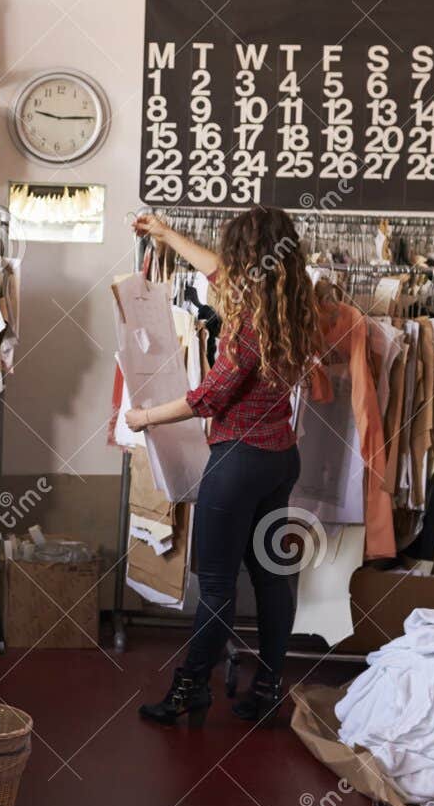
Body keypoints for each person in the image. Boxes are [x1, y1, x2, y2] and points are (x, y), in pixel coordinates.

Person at [125, 206, 323, 727]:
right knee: (269, 580)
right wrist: (166, 235)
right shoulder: (296, 301)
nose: (226, 264)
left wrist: (144, 416)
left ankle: (189, 689)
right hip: (280, 458)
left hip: (238, 462)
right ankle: (267, 689)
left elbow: (208, 398)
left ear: (246, 257)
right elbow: (216, 270)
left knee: (215, 586)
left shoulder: (249, 322)